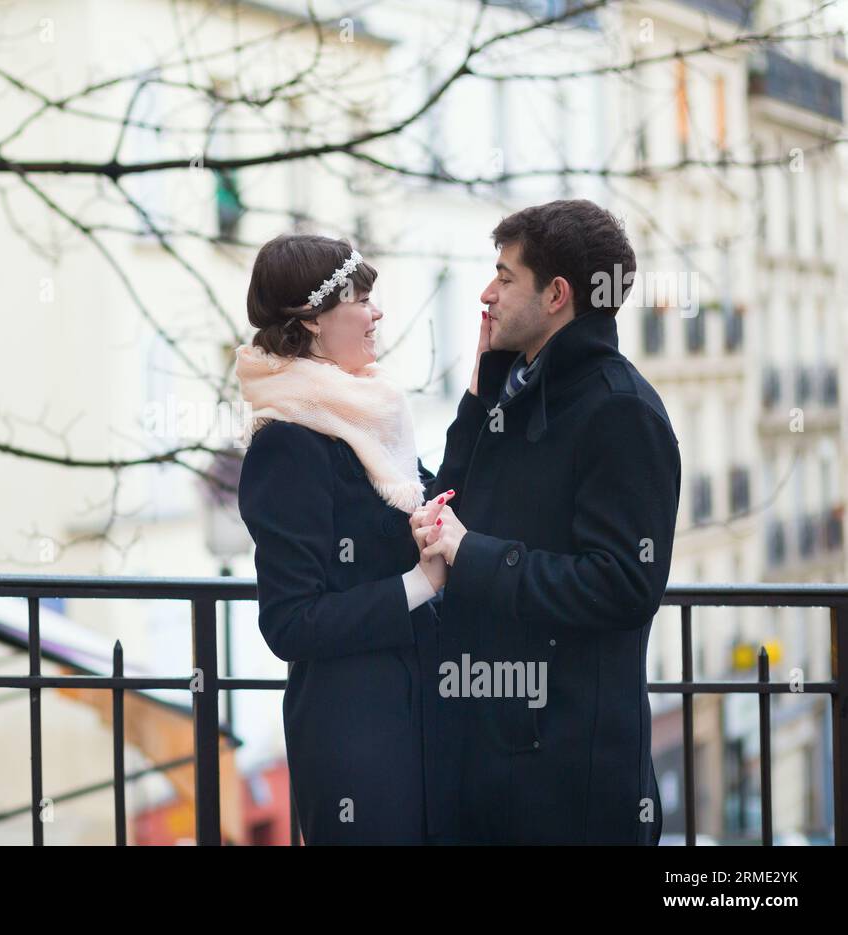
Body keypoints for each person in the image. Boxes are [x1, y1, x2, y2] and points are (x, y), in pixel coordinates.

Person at [415, 199, 681, 844]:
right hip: (489, 760)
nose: (487, 294)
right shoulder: (517, 388)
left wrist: (472, 553)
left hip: (566, 785)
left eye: (505, 277)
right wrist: (480, 395)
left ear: (557, 295)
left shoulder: (621, 411)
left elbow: (625, 585)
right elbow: (453, 502)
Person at [235, 233, 455, 844]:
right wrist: (418, 584)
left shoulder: (365, 416)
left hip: (417, 724)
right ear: (311, 320)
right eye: (360, 300)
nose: (376, 313)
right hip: (358, 748)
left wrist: (483, 387)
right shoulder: (288, 443)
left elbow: (438, 493)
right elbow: (290, 622)